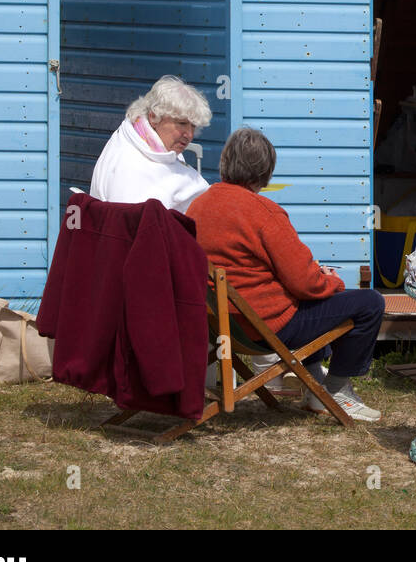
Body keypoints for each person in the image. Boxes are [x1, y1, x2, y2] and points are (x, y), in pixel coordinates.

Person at [187, 128, 385, 422]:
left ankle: (314, 383)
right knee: (370, 302)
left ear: (225, 161)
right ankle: (336, 390)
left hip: (223, 323)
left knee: (309, 300)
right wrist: (332, 280)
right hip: (267, 327)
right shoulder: (264, 212)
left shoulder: (199, 206)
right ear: (266, 171)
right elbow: (305, 283)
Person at [90, 75, 211, 213]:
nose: (189, 134)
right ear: (154, 117)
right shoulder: (129, 164)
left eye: (193, 126)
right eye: (181, 123)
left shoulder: (147, 142)